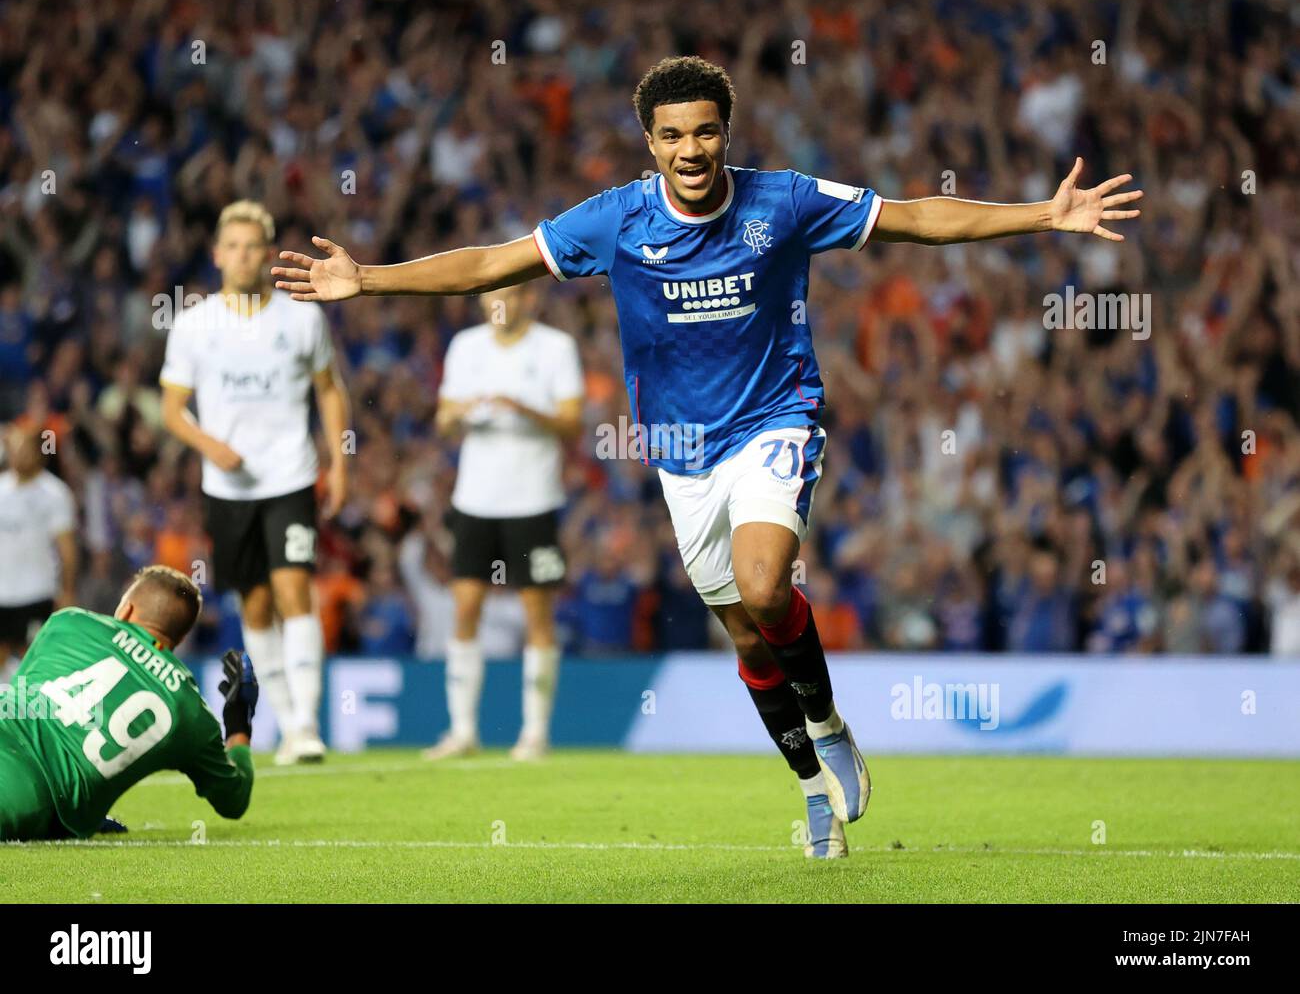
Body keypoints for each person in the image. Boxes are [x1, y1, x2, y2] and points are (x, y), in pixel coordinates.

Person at [273, 56, 1142, 858]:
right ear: (649, 142)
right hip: (682, 453)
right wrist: (372, 278)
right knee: (741, 627)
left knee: (767, 585)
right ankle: (807, 781)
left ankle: (830, 724)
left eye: (706, 130)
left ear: (728, 129)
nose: (692, 149)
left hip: (775, 417)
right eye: (673, 135)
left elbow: (914, 217)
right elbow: (493, 263)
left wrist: (1045, 213)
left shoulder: (784, 201)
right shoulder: (614, 220)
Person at [161, 200, 350, 765]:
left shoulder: (301, 317)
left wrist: (340, 461)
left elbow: (331, 389)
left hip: (290, 476)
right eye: (233, 247)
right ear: (218, 254)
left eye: (253, 247)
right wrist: (209, 445)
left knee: (295, 589)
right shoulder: (195, 325)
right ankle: (288, 720)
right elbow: (172, 409)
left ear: (267, 255)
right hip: (228, 488)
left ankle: (305, 727)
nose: (243, 257)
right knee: (256, 602)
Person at [422, 284, 582, 761]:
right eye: (491, 298)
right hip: (474, 499)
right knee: (465, 607)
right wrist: (462, 412)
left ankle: (534, 733)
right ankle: (463, 731)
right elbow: (443, 420)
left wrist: (523, 408)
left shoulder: (556, 347)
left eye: (510, 296)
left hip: (533, 499)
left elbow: (572, 424)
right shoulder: (465, 347)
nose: (499, 306)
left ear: (529, 299)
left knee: (538, 613)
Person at [0, 565, 257, 841]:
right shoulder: (188, 709)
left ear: (127, 610)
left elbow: (20, 696)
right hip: (28, 791)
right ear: (178, 639)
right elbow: (234, 798)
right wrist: (238, 722)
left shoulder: (68, 621)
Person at [0, 424, 77, 677]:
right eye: (15, 447)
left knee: (33, 664)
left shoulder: (54, 494)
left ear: (39, 452)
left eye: (25, 448)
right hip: (2, 593)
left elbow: (67, 549)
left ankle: (31, 714)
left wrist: (66, 591)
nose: (18, 454)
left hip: (36, 593)